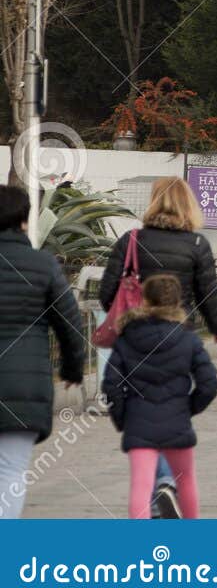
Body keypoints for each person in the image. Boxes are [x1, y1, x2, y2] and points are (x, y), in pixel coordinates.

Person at [98, 176, 217, 519]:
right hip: (178, 338)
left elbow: (107, 291)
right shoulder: (197, 244)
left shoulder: (132, 240)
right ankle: (168, 485)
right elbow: (208, 291)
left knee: (142, 412)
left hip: (135, 337)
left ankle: (160, 486)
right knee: (168, 406)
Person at [0, 184, 86, 520]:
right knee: (11, 472)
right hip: (25, 390)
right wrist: (73, 371)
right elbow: (70, 324)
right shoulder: (43, 265)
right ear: (24, 221)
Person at [104, 274, 217, 520]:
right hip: (177, 422)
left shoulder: (127, 338)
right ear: (177, 302)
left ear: (145, 300)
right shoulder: (188, 339)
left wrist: (123, 417)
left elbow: (111, 384)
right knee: (186, 481)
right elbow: (209, 382)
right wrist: (188, 407)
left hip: (138, 421)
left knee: (141, 486)